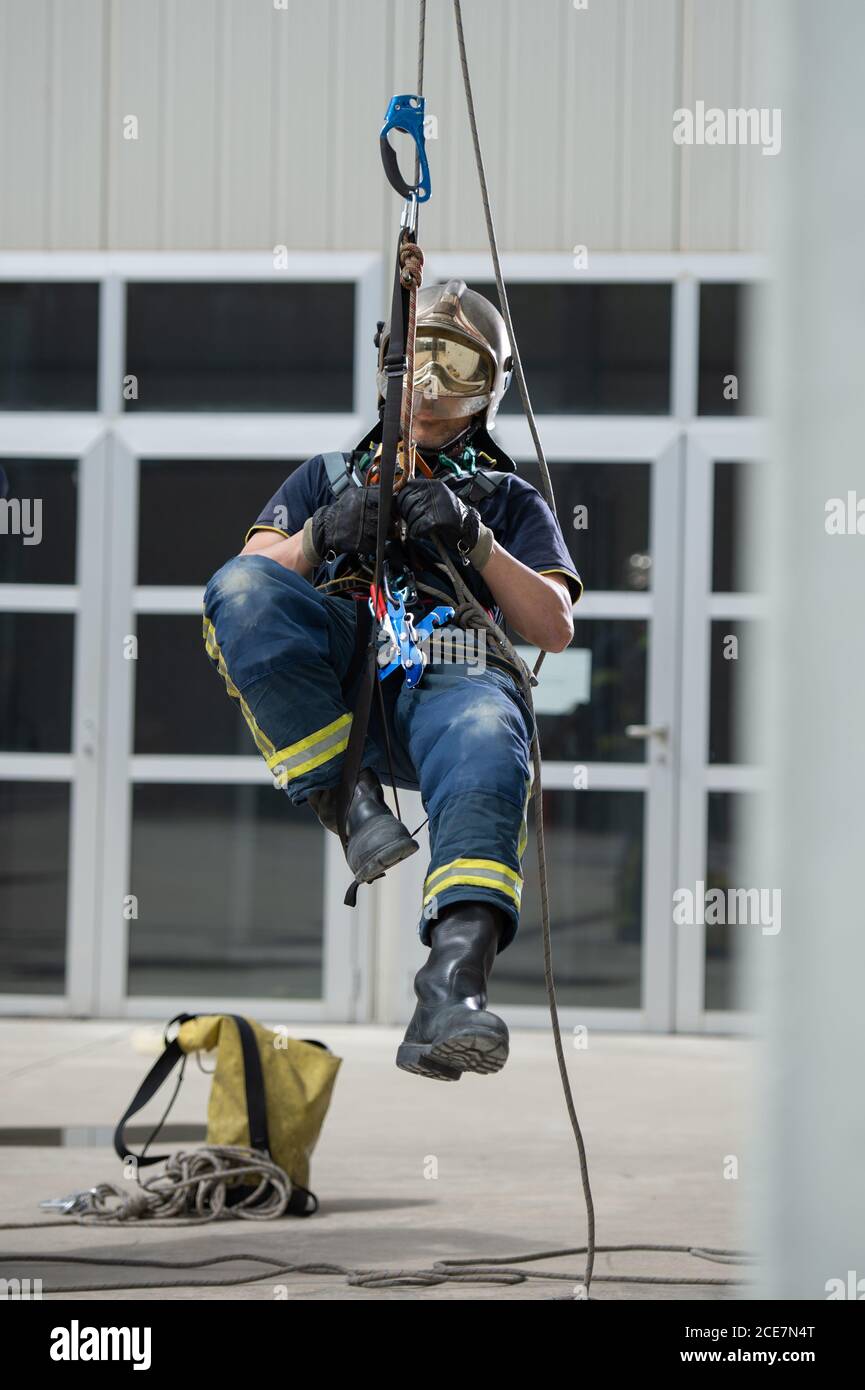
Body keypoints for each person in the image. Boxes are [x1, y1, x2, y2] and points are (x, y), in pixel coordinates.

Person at [203, 279, 582, 1081]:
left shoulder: (507, 499)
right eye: (418, 359)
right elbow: (243, 584)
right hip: (347, 664)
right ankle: (349, 805)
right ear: (390, 366)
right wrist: (319, 536)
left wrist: (476, 540)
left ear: (487, 389)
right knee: (240, 588)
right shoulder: (325, 477)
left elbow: (551, 625)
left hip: (453, 670)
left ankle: (450, 988)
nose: (431, 385)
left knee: (488, 740)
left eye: (456, 366)